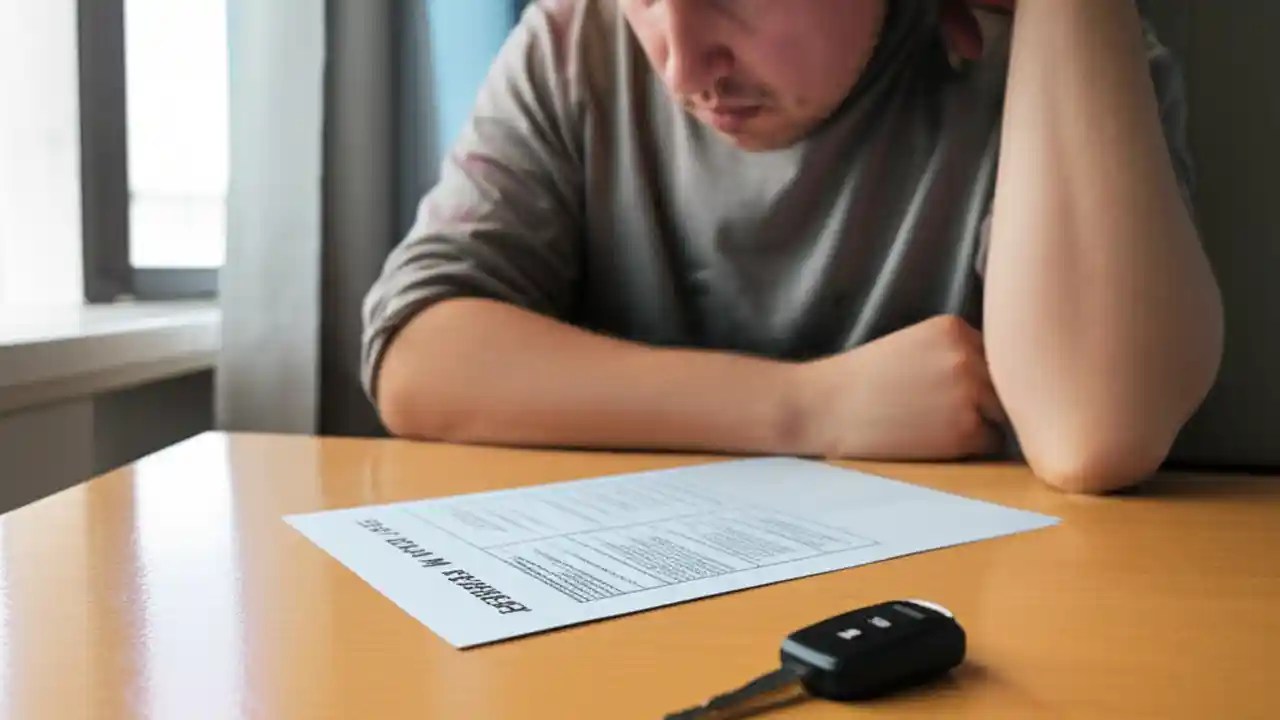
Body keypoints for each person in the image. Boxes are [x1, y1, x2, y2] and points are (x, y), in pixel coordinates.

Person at [362, 0, 1223, 494]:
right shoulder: (574, 43)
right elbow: (418, 354)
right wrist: (812, 409)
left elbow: (1097, 431)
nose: (682, 64)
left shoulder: (1046, 63)